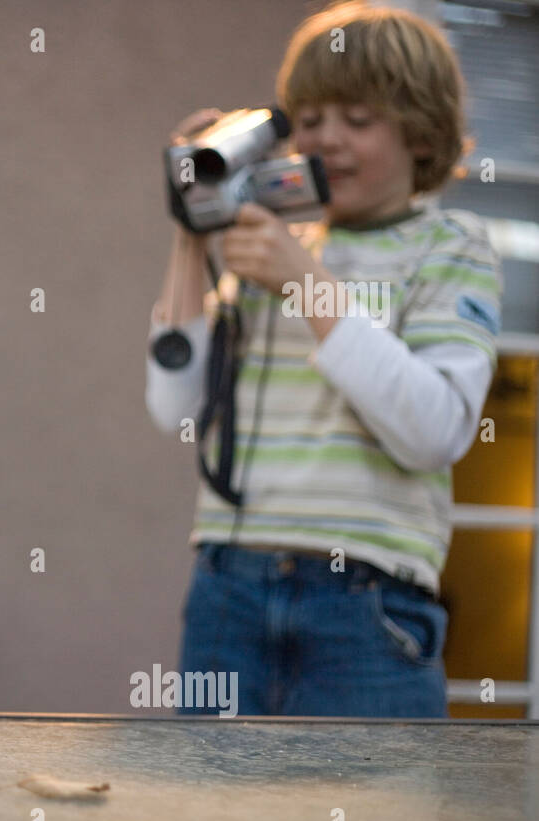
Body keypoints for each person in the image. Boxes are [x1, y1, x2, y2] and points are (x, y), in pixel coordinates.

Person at [146, 1, 501, 716]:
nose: (327, 141)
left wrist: (304, 284)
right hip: (227, 587)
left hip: (367, 605)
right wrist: (193, 231)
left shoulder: (450, 246)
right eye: (307, 122)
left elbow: (434, 428)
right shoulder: (275, 249)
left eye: (358, 121)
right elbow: (175, 407)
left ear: (422, 136)